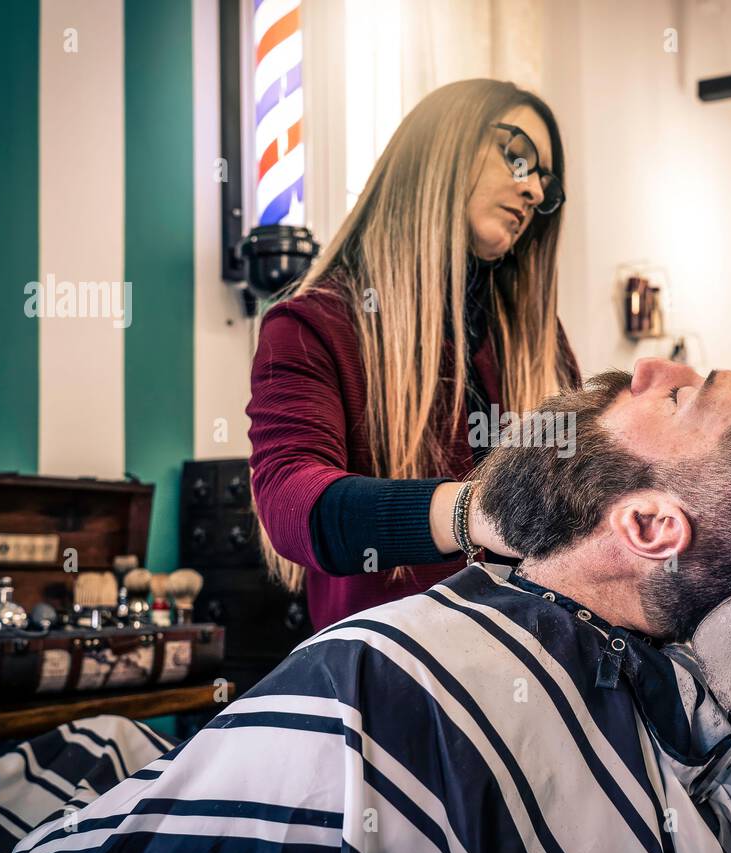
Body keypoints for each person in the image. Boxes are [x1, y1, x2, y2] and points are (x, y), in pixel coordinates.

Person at [8, 358, 731, 853]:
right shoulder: (700, 741)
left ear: (646, 524)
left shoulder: (381, 684)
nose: (649, 364)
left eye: (679, 396)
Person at [246, 78, 579, 632]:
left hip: (536, 675)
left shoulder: (539, 343)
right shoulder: (312, 327)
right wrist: (474, 514)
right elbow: (290, 502)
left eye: (546, 181)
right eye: (518, 158)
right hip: (393, 685)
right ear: (441, 147)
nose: (536, 194)